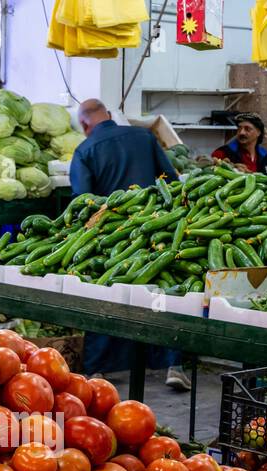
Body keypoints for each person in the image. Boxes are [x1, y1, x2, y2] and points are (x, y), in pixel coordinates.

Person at [69, 99, 189, 391]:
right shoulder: (144, 137)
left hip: (115, 239)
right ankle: (174, 364)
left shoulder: (85, 150)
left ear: (85, 125)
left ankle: (97, 369)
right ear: (109, 115)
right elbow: (170, 181)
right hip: (157, 233)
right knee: (162, 294)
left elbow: (84, 202)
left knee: (106, 294)